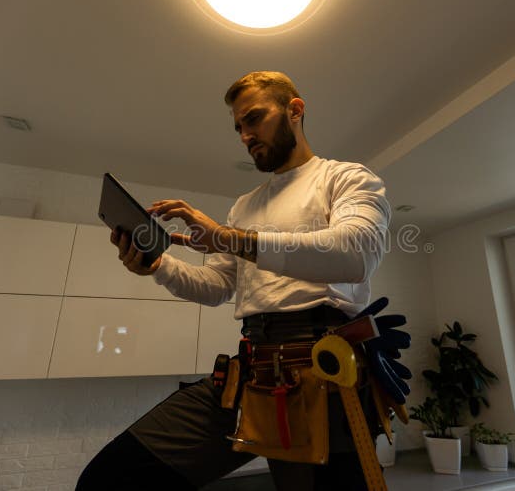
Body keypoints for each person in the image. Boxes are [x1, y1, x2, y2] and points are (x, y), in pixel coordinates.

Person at [76, 71, 392, 490]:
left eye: (254, 118)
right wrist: (157, 266)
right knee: (110, 478)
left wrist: (227, 237)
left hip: (324, 374)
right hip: (250, 371)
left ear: (294, 110)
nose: (245, 134)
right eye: (239, 127)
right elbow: (218, 286)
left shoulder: (346, 178)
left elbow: (356, 254)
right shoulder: (244, 205)